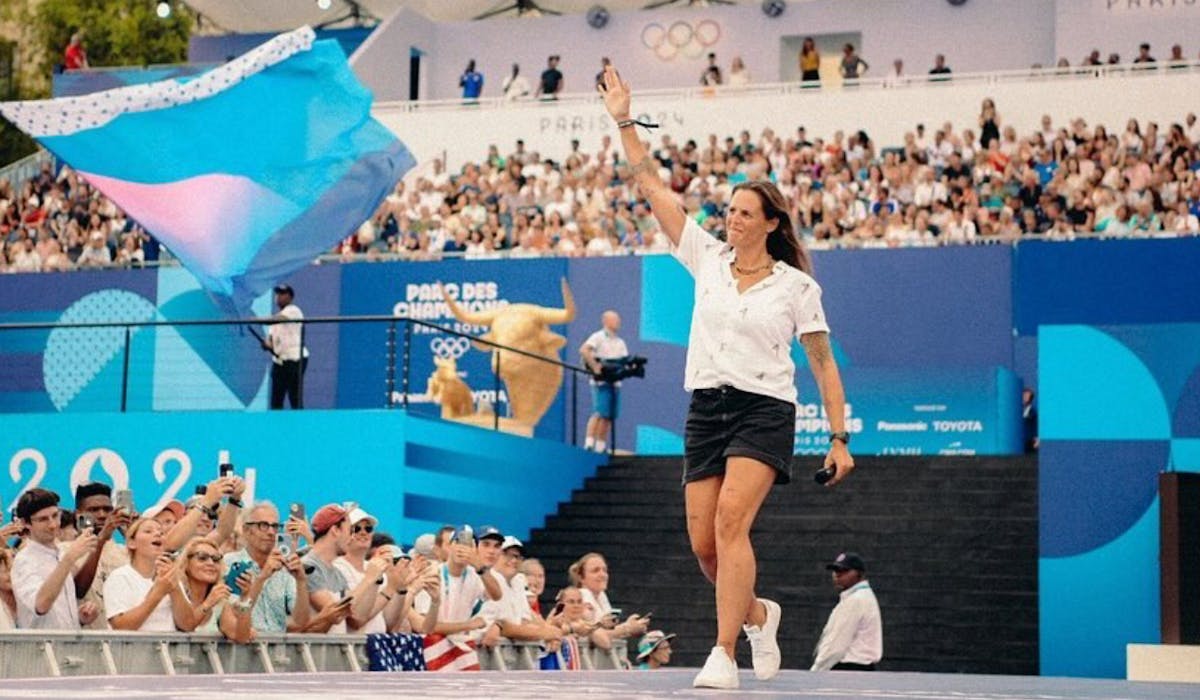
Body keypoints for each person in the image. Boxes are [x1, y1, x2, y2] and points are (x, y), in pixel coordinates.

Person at [598, 64, 855, 690]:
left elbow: (822, 362)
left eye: (746, 212)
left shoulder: (798, 287)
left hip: (764, 410)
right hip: (705, 408)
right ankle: (760, 616)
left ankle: (723, 653)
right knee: (704, 545)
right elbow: (652, 187)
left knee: (731, 522)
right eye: (731, 209)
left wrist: (840, 437)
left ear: (771, 223)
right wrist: (624, 121)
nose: (733, 218)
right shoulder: (706, 258)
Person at [11, 488, 99, 629]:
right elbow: (40, 605)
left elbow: (55, 615)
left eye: (55, 515)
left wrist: (80, 618)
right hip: (40, 648)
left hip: (68, 646)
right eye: (43, 519)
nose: (53, 524)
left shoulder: (61, 554)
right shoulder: (24, 561)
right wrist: (69, 559)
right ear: (26, 523)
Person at [104, 518, 187, 631]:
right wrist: (158, 593)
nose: (158, 534)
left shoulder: (171, 577)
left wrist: (175, 588)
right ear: (131, 543)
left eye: (161, 532)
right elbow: (121, 626)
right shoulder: (119, 577)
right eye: (148, 531)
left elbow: (188, 625)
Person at [811, 552, 882, 671]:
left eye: (844, 571)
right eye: (835, 570)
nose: (837, 575)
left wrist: (816, 671)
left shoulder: (855, 600)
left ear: (859, 573)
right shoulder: (863, 596)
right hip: (859, 669)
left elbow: (836, 645)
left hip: (849, 669)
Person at [580, 310, 629, 453]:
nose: (618, 322)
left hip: (615, 382)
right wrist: (595, 367)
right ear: (606, 321)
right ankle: (589, 443)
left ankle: (600, 446)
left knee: (609, 415)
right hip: (601, 383)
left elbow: (624, 360)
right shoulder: (598, 337)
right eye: (615, 319)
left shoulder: (620, 342)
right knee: (599, 412)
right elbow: (584, 350)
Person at [262, 283, 308, 410]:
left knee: (295, 397)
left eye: (282, 294)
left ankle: (299, 425)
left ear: (290, 297)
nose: (278, 297)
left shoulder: (294, 311)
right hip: (279, 361)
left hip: (295, 360)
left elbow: (276, 319)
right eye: (277, 294)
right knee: (276, 399)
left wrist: (255, 319)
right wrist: (267, 345)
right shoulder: (274, 320)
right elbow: (271, 341)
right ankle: (276, 427)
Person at [1022, 387, 1038, 452]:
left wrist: (1037, 440)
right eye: (1023, 396)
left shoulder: (1033, 412)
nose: (1024, 398)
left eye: (1026, 396)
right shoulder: (1018, 411)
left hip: (1030, 443)